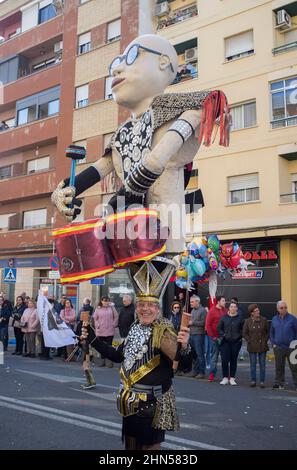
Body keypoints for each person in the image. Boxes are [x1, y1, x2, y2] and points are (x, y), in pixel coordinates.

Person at [51, 34, 230, 257]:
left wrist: (122, 199)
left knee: (156, 284)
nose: (116, 71)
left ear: (163, 62)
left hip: (163, 235)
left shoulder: (189, 112)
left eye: (132, 56)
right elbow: (97, 170)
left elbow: (157, 159)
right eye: (115, 64)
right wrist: (63, 192)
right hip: (127, 231)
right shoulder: (121, 134)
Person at [80, 297, 190, 450]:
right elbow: (118, 356)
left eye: (150, 305)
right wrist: (93, 340)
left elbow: (183, 364)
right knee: (131, 445)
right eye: (141, 305)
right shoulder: (135, 326)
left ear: (158, 309)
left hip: (151, 402)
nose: (145, 309)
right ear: (136, 308)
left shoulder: (163, 332)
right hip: (129, 400)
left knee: (148, 447)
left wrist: (184, 346)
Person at [270, 300, 297, 391]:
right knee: (279, 367)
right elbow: (271, 333)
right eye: (282, 308)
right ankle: (279, 384)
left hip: (292, 348)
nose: (284, 309)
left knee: (294, 367)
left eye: (285, 307)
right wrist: (273, 343)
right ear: (278, 309)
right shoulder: (274, 319)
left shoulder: (293, 319)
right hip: (278, 347)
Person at [217, 301, 244, 385]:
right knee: (224, 360)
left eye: (234, 306)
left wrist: (239, 336)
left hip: (236, 342)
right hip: (225, 342)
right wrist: (223, 334)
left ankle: (232, 378)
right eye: (231, 306)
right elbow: (219, 328)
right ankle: (225, 377)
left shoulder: (240, 318)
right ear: (229, 308)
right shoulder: (224, 317)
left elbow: (243, 329)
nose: (233, 308)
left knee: (233, 360)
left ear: (237, 308)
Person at [243, 304, 269, 388]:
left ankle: (262, 381)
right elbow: (244, 333)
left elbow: (268, 332)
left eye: (258, 310)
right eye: (256, 311)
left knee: (262, 364)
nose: (258, 312)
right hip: (252, 346)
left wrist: (265, 340)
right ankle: (253, 380)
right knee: (253, 364)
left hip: (262, 345)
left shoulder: (264, 320)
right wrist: (249, 340)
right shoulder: (247, 321)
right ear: (252, 313)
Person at [205, 295, 227, 382]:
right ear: (218, 302)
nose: (225, 302)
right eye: (223, 301)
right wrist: (213, 337)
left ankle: (225, 376)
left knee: (225, 357)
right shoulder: (212, 311)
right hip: (214, 338)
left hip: (224, 338)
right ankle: (212, 374)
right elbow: (208, 325)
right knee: (214, 357)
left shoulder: (225, 310)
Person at [92, 296, 119, 367]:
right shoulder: (98, 309)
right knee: (102, 347)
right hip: (101, 331)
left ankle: (109, 362)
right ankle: (102, 361)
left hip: (110, 330)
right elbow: (95, 318)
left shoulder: (112, 307)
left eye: (107, 301)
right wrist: (97, 325)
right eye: (104, 301)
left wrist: (114, 324)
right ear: (101, 301)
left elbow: (116, 316)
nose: (106, 302)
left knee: (109, 346)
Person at [188, 295, 207, 378]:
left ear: (197, 302)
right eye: (190, 302)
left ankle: (202, 372)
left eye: (192, 302)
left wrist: (192, 323)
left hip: (199, 335)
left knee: (200, 354)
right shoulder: (192, 310)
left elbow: (204, 323)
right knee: (193, 354)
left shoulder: (203, 311)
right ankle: (194, 371)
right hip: (191, 334)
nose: (190, 303)